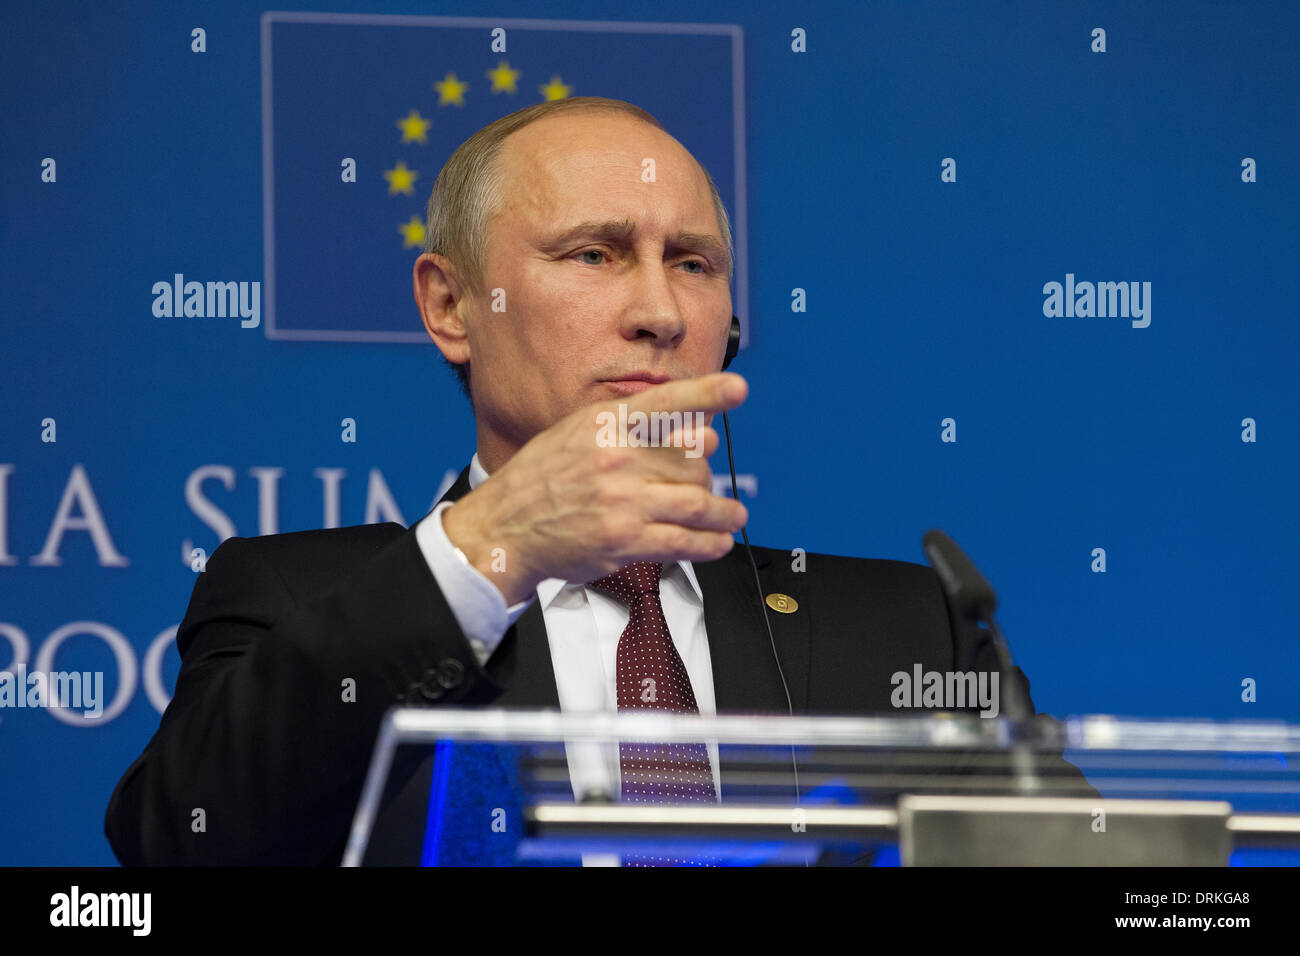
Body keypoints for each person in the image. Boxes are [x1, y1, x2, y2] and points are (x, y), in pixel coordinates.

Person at [105, 97, 1092, 867]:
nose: (659, 310)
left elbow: (1100, 861)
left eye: (694, 263)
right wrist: (491, 546)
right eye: (596, 253)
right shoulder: (293, 596)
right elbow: (182, 841)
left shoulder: (906, 625)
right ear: (451, 305)